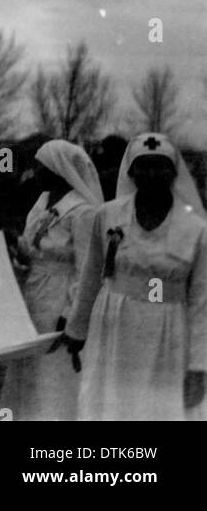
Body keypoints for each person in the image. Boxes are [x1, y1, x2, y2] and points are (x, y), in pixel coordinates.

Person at [62, 132, 206, 420]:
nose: (151, 174)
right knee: (111, 404)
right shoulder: (108, 216)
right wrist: (77, 329)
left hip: (168, 330)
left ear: (173, 173)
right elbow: (91, 276)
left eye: (160, 166)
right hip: (115, 325)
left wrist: (199, 364)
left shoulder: (196, 229)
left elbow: (202, 301)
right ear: (131, 172)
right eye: (143, 166)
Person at [0, 140, 101, 421]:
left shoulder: (83, 212)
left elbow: (86, 268)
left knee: (52, 371)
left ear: (59, 169)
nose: (35, 171)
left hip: (60, 295)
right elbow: (34, 250)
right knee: (28, 369)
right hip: (34, 293)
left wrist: (71, 314)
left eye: (41, 166)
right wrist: (14, 244)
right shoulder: (42, 203)